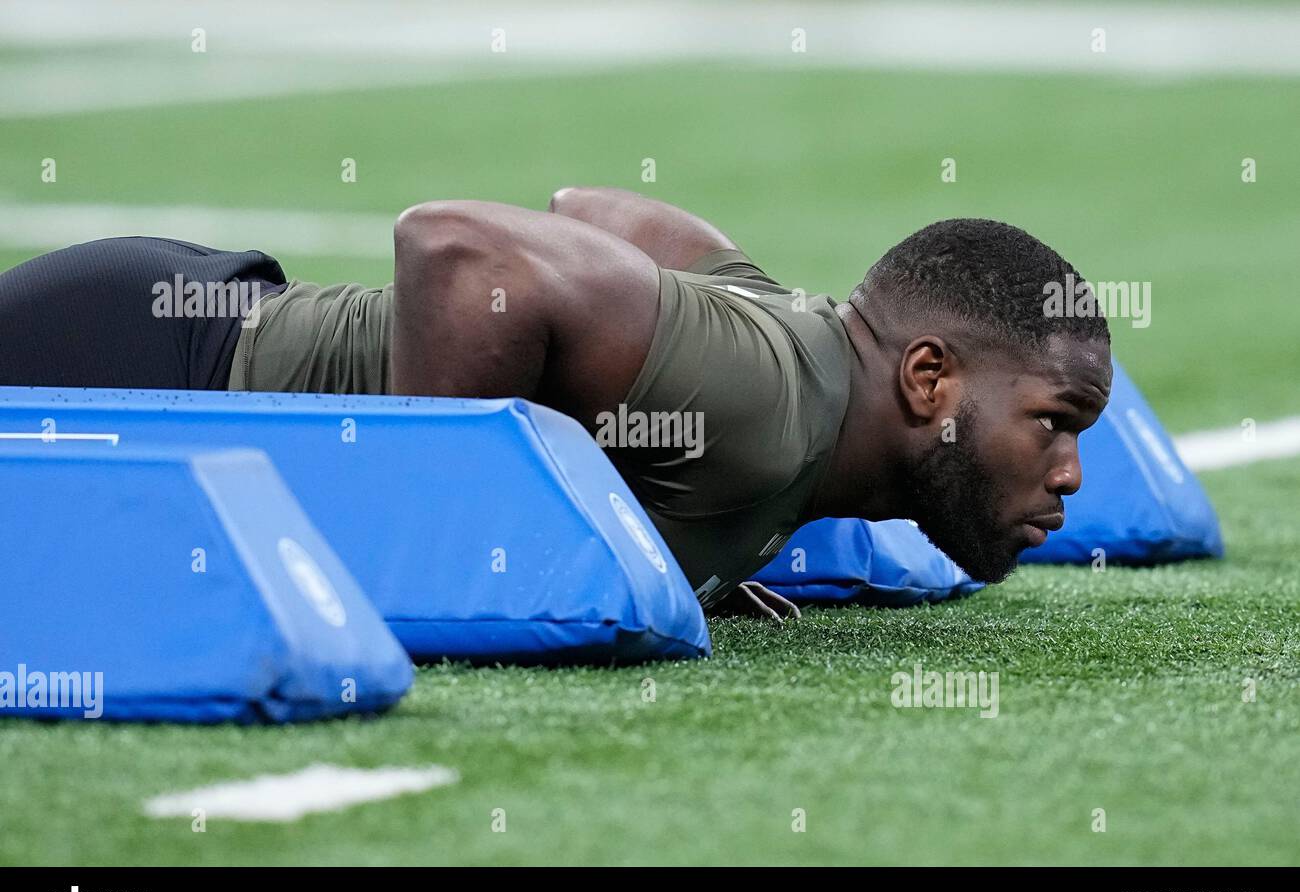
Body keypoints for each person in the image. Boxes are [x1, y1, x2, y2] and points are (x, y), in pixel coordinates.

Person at [0, 188, 1111, 613]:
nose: (1067, 472)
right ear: (928, 380)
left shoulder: (791, 371)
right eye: (1054, 422)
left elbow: (607, 213)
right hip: (138, 361)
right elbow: (459, 247)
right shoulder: (763, 398)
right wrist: (414, 538)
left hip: (181, 333)